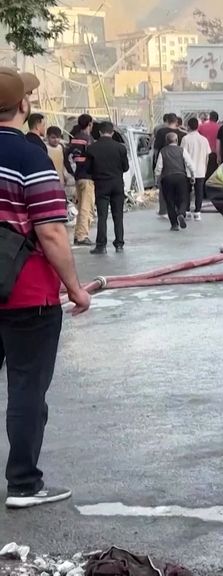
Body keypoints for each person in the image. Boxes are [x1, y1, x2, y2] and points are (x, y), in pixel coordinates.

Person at [0, 67, 91, 509]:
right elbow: (52, 232)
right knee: (26, 389)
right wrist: (75, 287)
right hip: (26, 294)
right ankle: (23, 483)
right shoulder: (29, 156)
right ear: (23, 106)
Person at [83, 122, 130, 255]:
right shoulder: (120, 148)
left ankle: (101, 245)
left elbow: (87, 169)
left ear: (99, 132)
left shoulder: (92, 148)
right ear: (113, 132)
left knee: (102, 216)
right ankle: (119, 243)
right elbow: (126, 168)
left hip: (101, 185)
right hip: (117, 185)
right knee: (118, 215)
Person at [154, 132, 197, 232]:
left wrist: (158, 179)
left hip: (167, 178)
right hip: (181, 176)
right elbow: (190, 164)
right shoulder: (182, 150)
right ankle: (181, 213)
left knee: (170, 201)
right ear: (177, 140)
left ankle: (174, 224)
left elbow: (158, 168)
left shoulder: (163, 151)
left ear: (166, 141)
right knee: (183, 198)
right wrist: (193, 176)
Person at [67, 116, 94, 245]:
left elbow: (66, 157)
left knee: (81, 205)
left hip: (78, 176)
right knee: (86, 207)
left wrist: (72, 172)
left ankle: (78, 235)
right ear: (90, 124)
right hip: (87, 177)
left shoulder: (74, 138)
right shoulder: (88, 140)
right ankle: (82, 236)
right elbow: (93, 158)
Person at [182, 117, 212, 220]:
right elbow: (208, 155)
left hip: (188, 170)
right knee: (199, 191)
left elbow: (183, 154)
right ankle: (197, 212)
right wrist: (205, 167)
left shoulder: (185, 139)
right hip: (201, 169)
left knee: (187, 191)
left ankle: (186, 210)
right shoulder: (204, 139)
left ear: (188, 126)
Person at [152, 113, 178, 218]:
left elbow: (156, 148)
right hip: (177, 163)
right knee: (176, 188)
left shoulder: (160, 132)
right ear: (176, 121)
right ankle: (176, 209)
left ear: (166, 121)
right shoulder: (181, 133)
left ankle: (163, 210)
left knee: (163, 188)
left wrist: (155, 160)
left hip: (163, 161)